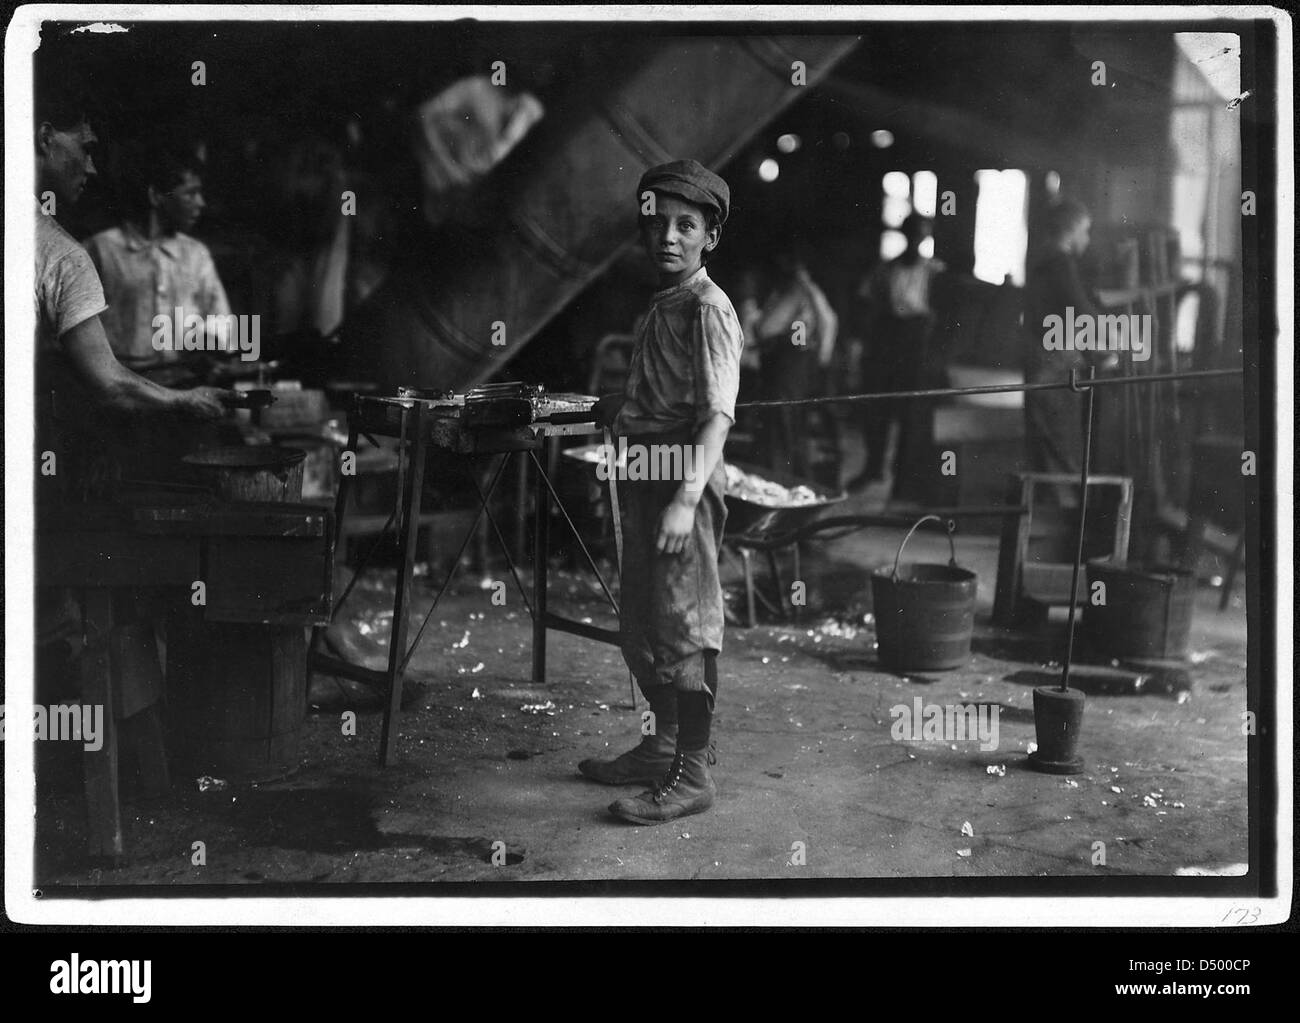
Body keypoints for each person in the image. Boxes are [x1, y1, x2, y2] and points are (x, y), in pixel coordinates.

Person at [577, 159, 743, 825]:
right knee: (641, 625)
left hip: (684, 478)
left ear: (710, 237)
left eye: (687, 226)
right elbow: (651, 394)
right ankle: (662, 744)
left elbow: (717, 414)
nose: (668, 237)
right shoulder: (660, 307)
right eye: (659, 223)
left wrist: (683, 496)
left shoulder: (708, 308)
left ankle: (694, 773)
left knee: (685, 626)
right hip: (643, 473)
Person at [85, 142, 233, 377]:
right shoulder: (102, 251)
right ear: (156, 196)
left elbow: (223, 324)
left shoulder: (196, 255)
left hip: (186, 387)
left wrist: (209, 340)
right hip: (124, 390)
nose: (200, 203)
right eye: (190, 193)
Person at [848, 213, 945, 494]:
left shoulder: (934, 271)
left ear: (926, 238)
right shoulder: (885, 269)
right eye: (911, 234)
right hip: (887, 339)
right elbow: (865, 304)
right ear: (905, 235)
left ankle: (905, 481)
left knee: (910, 412)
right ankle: (873, 467)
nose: (916, 240)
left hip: (917, 343)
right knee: (878, 406)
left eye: (921, 235)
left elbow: (942, 314)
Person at [1022, 198, 1113, 478]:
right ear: (1071, 230)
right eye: (1085, 231)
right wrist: (1116, 337)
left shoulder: (1043, 256)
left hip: (1040, 354)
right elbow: (1079, 306)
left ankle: (1047, 507)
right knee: (1060, 438)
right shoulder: (1059, 262)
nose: (1086, 238)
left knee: (1045, 436)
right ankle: (1064, 509)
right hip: (1054, 361)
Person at [752, 251, 838, 480]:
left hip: (789, 366)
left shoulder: (796, 290)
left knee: (782, 427)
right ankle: (790, 479)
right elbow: (829, 323)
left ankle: (780, 480)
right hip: (798, 366)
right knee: (791, 427)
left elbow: (765, 328)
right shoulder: (807, 291)